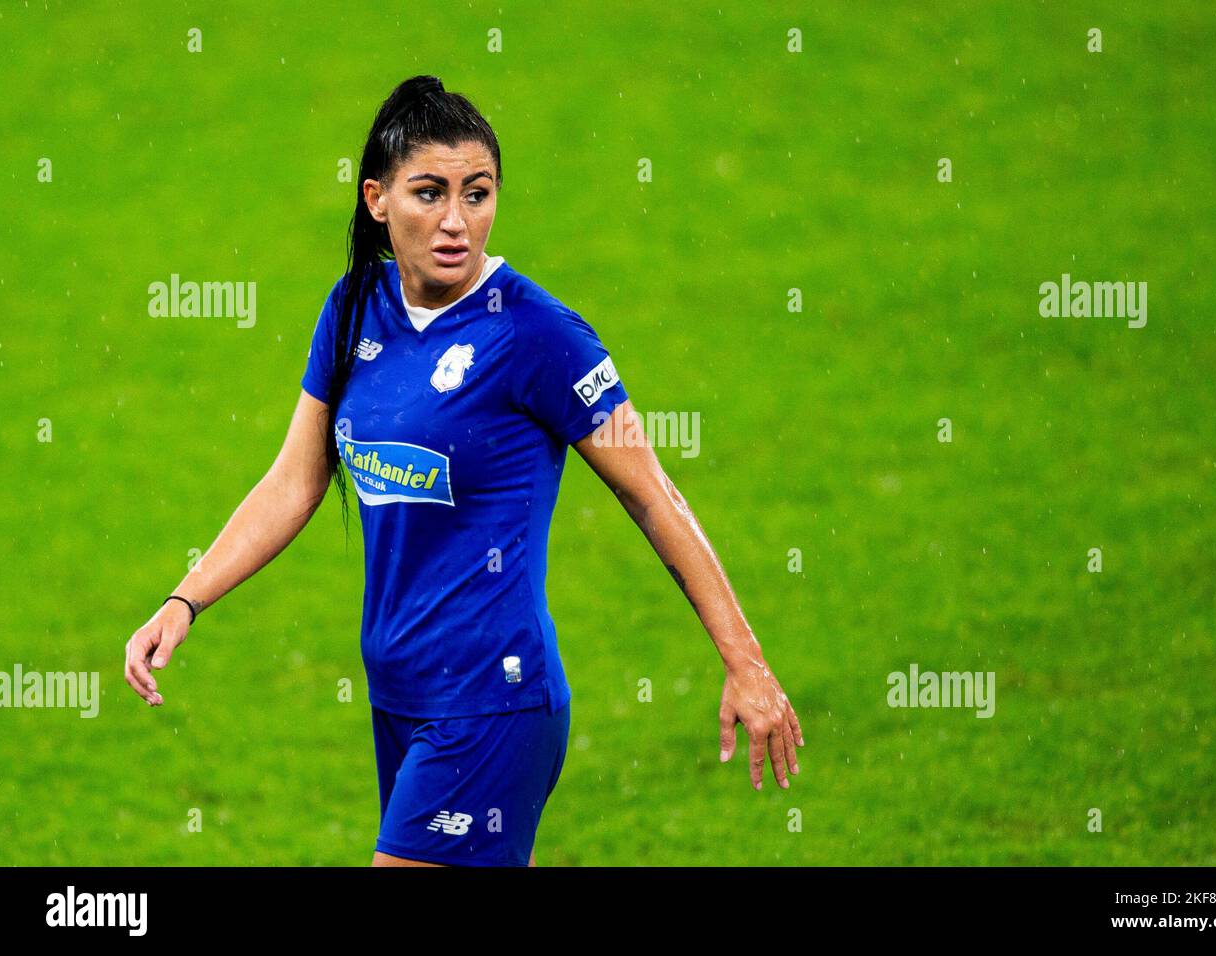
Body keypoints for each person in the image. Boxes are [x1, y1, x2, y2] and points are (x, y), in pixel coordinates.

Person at [124, 75, 804, 867]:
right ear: (377, 200)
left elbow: (652, 494)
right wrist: (186, 599)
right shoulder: (353, 307)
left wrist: (745, 663)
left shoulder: (538, 334)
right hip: (400, 696)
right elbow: (295, 480)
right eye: (430, 193)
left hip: (492, 699)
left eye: (477, 194)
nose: (457, 221)